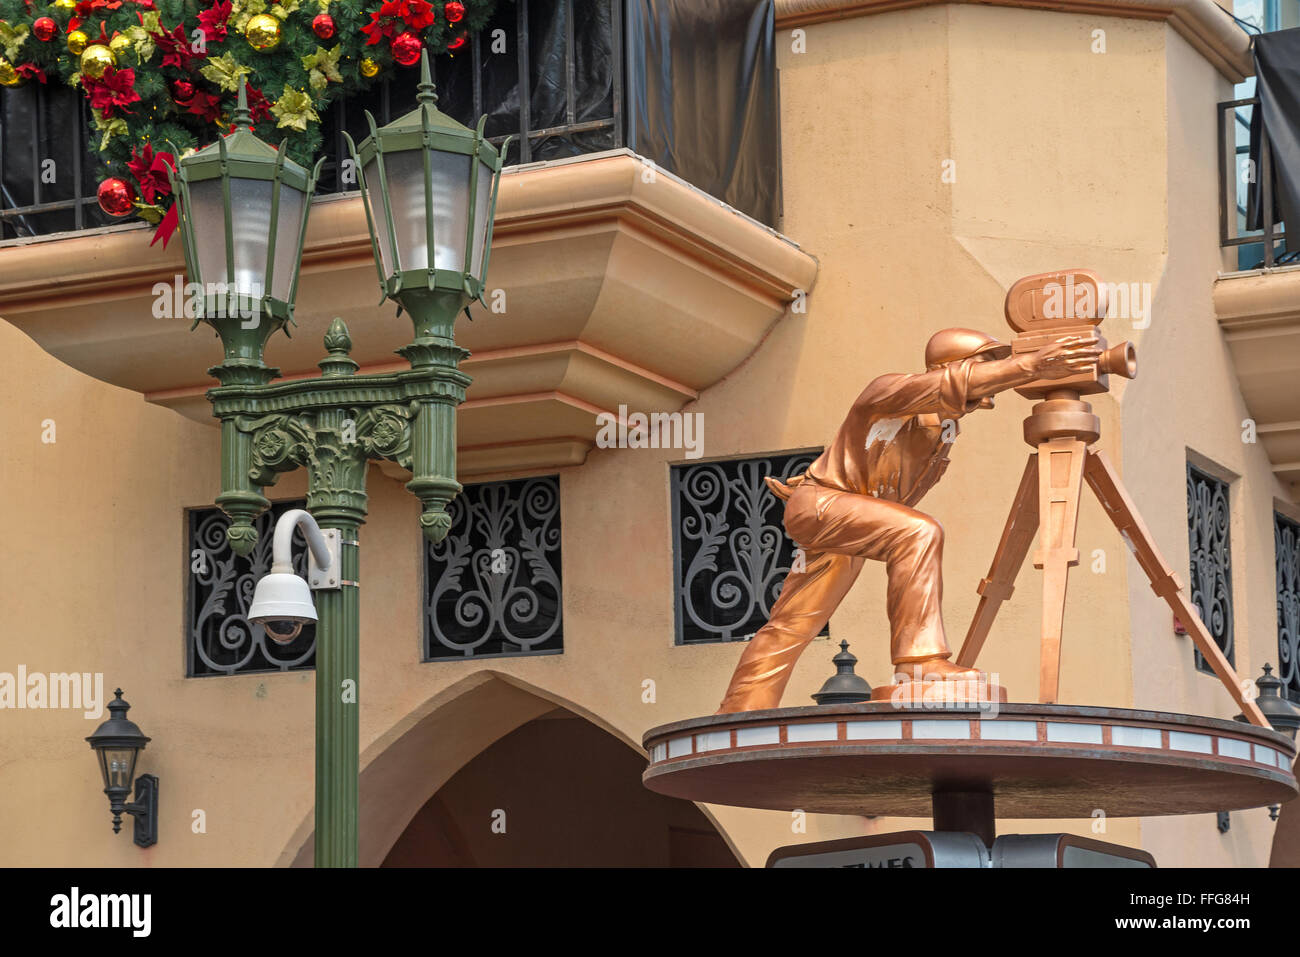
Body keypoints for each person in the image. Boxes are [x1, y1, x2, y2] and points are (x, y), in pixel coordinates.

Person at [716, 328, 1102, 713]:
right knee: (918, 532)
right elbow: (948, 386)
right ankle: (919, 665)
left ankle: (738, 711)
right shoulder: (887, 392)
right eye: (988, 367)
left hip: (851, 519)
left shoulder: (945, 428)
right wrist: (1030, 365)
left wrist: (1031, 371)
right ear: (950, 369)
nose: (990, 395)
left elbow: (961, 390)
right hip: (824, 504)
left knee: (792, 623)